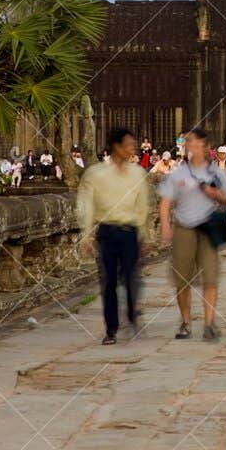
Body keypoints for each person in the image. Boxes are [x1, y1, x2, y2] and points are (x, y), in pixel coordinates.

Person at [77, 129, 153, 345]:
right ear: (116, 147)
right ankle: (111, 329)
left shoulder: (138, 173)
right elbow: (86, 206)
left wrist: (143, 234)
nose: (132, 148)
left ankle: (131, 315)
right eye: (128, 144)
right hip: (106, 232)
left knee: (131, 278)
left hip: (130, 231)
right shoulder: (95, 174)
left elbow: (142, 206)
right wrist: (86, 235)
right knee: (108, 281)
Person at [159, 128, 226, 341]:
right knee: (182, 279)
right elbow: (165, 202)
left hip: (207, 228)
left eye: (194, 143)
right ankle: (186, 322)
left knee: (210, 277)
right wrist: (165, 226)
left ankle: (209, 323)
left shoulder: (216, 174)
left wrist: (214, 194)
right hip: (184, 228)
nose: (190, 146)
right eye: (188, 143)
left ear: (205, 146)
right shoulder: (178, 174)